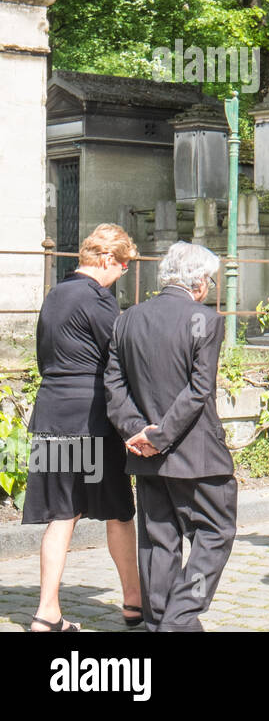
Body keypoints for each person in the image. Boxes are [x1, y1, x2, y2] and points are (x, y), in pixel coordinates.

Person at [104, 241, 236, 632]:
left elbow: (113, 383)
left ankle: (161, 619)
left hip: (146, 453)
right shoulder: (204, 320)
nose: (210, 287)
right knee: (215, 533)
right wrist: (158, 435)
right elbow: (199, 390)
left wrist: (136, 430)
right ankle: (176, 620)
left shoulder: (128, 318)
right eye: (209, 280)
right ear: (198, 283)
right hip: (196, 454)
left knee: (158, 540)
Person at [23, 224, 142, 632]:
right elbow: (121, 359)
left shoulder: (55, 294)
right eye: (123, 266)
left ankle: (46, 613)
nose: (122, 273)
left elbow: (44, 356)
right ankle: (134, 603)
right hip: (90, 420)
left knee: (62, 515)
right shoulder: (98, 300)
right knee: (118, 512)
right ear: (109, 260)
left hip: (50, 414)